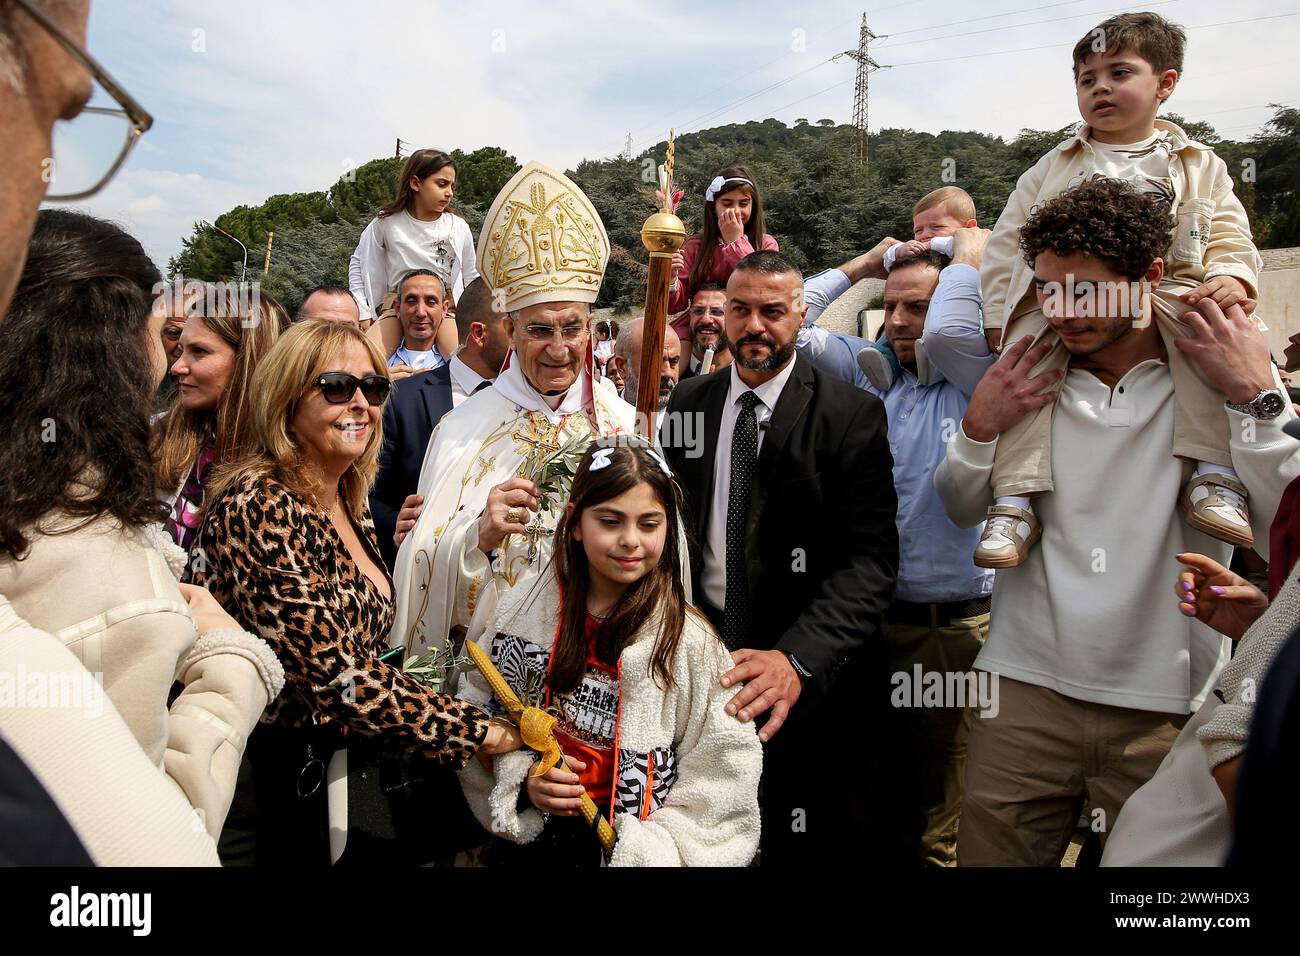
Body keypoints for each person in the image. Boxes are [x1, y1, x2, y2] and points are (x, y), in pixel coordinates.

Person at [934, 177, 1300, 866]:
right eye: (1046, 288)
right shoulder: (1024, 375)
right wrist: (980, 427)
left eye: (1085, 290)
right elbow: (958, 509)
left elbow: (1287, 516)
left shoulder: (1218, 372)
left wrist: (1257, 396)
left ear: (1151, 275)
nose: (1063, 310)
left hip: (1169, 706)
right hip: (1021, 694)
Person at [0, 207, 285, 845]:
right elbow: (157, 843)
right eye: (165, 339)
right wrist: (233, 663)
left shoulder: (281, 479)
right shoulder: (127, 593)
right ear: (112, 352)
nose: (173, 364)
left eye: (195, 349)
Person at [192, 320, 522, 865]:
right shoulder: (260, 504)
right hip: (261, 785)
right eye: (337, 386)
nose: (361, 405)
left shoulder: (347, 495)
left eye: (374, 388)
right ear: (285, 398)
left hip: (335, 774)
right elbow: (335, 675)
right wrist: (477, 732)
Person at [976, 12, 1265, 568]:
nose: (1100, 88)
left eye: (1118, 73)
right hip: (1054, 299)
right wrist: (997, 314)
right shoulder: (1049, 167)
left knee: (1216, 333)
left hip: (1169, 291)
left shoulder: (1199, 164)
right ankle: (1013, 500)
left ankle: (1216, 475)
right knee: (1021, 369)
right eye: (1086, 79)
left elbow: (1229, 229)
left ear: (1165, 83)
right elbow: (1006, 245)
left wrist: (1231, 275)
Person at [661, 249, 899, 865]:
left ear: (800, 317)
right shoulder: (688, 403)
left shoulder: (850, 417)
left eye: (773, 311)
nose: (754, 326)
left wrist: (795, 660)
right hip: (702, 663)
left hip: (805, 684)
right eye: (739, 309)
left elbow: (868, 564)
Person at [458, 438, 762, 866]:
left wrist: (656, 852)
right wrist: (522, 779)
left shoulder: (691, 643)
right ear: (576, 523)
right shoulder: (521, 611)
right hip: (534, 845)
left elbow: (723, 768)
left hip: (630, 850)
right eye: (611, 521)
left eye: (649, 524)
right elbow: (478, 710)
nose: (631, 540)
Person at [796, 230, 997, 866]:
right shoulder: (873, 374)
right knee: (878, 788)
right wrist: (864, 264)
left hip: (952, 633)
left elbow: (952, 335)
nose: (906, 322)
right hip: (872, 627)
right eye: (897, 307)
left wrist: (966, 255)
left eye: (923, 308)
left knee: (942, 812)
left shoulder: (979, 381)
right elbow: (790, 322)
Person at [389, 161, 636, 666]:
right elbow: (420, 563)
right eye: (540, 330)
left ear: (590, 330)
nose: (559, 348)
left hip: (601, 665)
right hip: (491, 673)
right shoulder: (462, 429)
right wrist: (477, 535)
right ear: (512, 331)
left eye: (572, 328)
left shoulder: (625, 425)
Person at [151, 287, 290, 573]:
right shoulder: (154, 435)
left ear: (250, 359)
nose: (177, 367)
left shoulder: (298, 463)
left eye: (199, 352)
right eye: (180, 350)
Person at [349, 148, 469, 364]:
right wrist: (364, 312)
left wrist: (471, 317)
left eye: (452, 186)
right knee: (363, 363)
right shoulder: (386, 222)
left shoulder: (457, 226)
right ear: (416, 183)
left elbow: (471, 273)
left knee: (465, 366)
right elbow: (358, 264)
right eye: (442, 184)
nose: (449, 192)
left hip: (444, 307)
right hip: (398, 304)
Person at [856, 187, 978, 392]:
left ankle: (934, 362)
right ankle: (883, 363)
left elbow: (954, 246)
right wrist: (898, 251)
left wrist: (942, 242)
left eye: (935, 227)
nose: (925, 236)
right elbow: (888, 258)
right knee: (891, 333)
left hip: (963, 318)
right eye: (918, 230)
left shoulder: (968, 248)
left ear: (969, 228)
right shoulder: (916, 250)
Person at [666, 165, 779, 340]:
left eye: (743, 204)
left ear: (753, 207)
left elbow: (763, 286)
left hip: (750, 324)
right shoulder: (696, 246)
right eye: (727, 204)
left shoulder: (765, 243)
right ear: (713, 207)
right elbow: (673, 306)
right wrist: (672, 280)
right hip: (702, 326)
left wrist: (736, 242)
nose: (735, 211)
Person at [370, 345, 456, 571]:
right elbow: (368, 489)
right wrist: (396, 523)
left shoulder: (526, 401)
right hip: (417, 571)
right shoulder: (403, 397)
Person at [448, 276, 510, 406]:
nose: (521, 336)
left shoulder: (533, 395)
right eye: (512, 327)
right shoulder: (408, 398)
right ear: (479, 333)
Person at [610, 315, 682, 428]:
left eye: (674, 362)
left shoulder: (693, 423)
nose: (668, 373)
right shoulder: (599, 422)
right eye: (656, 363)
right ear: (622, 366)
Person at [386, 268, 449, 382]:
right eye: (411, 301)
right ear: (398, 308)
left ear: (444, 309)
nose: (421, 313)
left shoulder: (456, 365)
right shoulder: (379, 364)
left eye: (430, 302)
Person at [679, 281, 732, 379]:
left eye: (717, 312)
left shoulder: (748, 376)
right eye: (698, 311)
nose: (706, 320)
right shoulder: (669, 373)